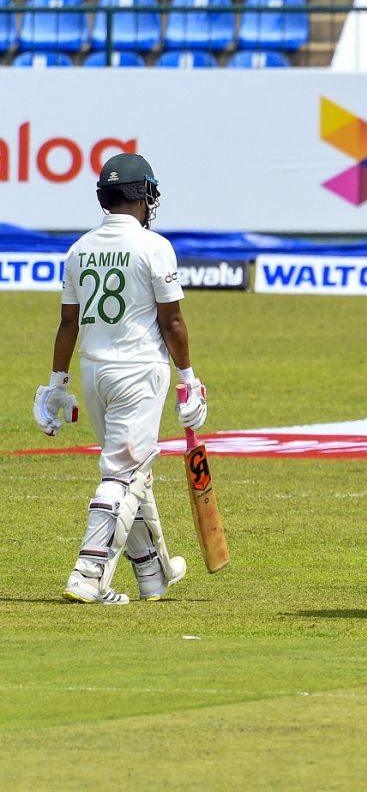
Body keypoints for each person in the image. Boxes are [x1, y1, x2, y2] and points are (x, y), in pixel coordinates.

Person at [36, 152, 203, 605]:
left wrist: (56, 383)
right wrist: (189, 378)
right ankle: (89, 574)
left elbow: (68, 323)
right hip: (139, 371)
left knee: (133, 472)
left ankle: (154, 573)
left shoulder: (80, 249)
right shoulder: (154, 246)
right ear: (145, 195)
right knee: (123, 472)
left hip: (94, 372)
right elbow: (172, 322)